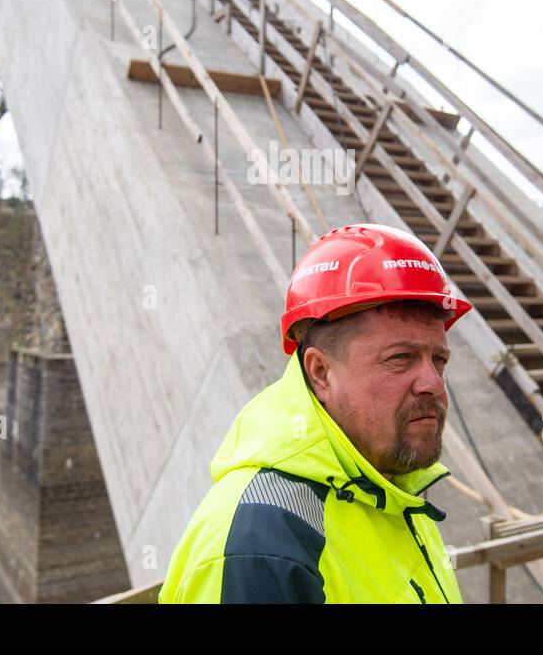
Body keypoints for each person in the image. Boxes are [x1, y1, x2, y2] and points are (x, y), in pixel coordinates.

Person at [158, 223, 473, 603]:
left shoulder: (392, 490)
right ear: (321, 372)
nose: (434, 384)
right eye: (400, 358)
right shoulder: (260, 549)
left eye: (439, 360)